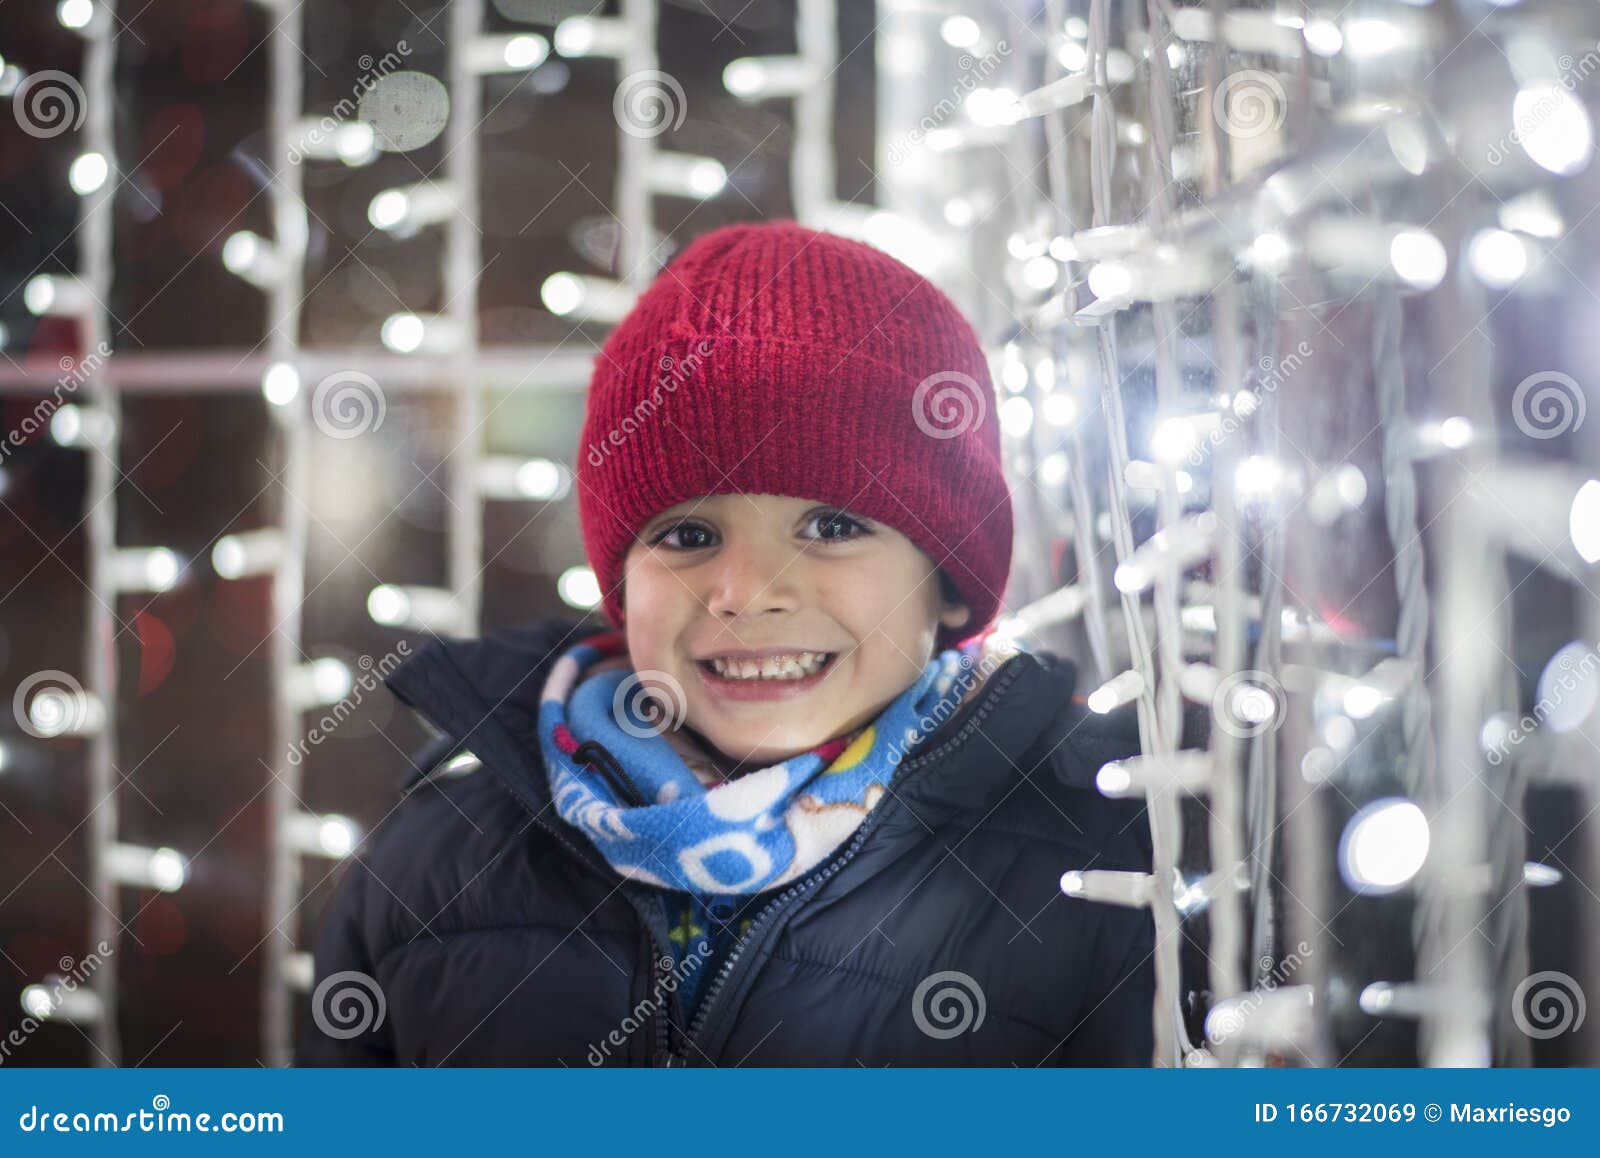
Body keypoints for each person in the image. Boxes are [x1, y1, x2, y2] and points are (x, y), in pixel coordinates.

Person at [296, 220, 1154, 1067]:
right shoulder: (438, 862)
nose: (744, 593)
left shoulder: (1108, 867)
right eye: (689, 535)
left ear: (948, 577)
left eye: (830, 523)